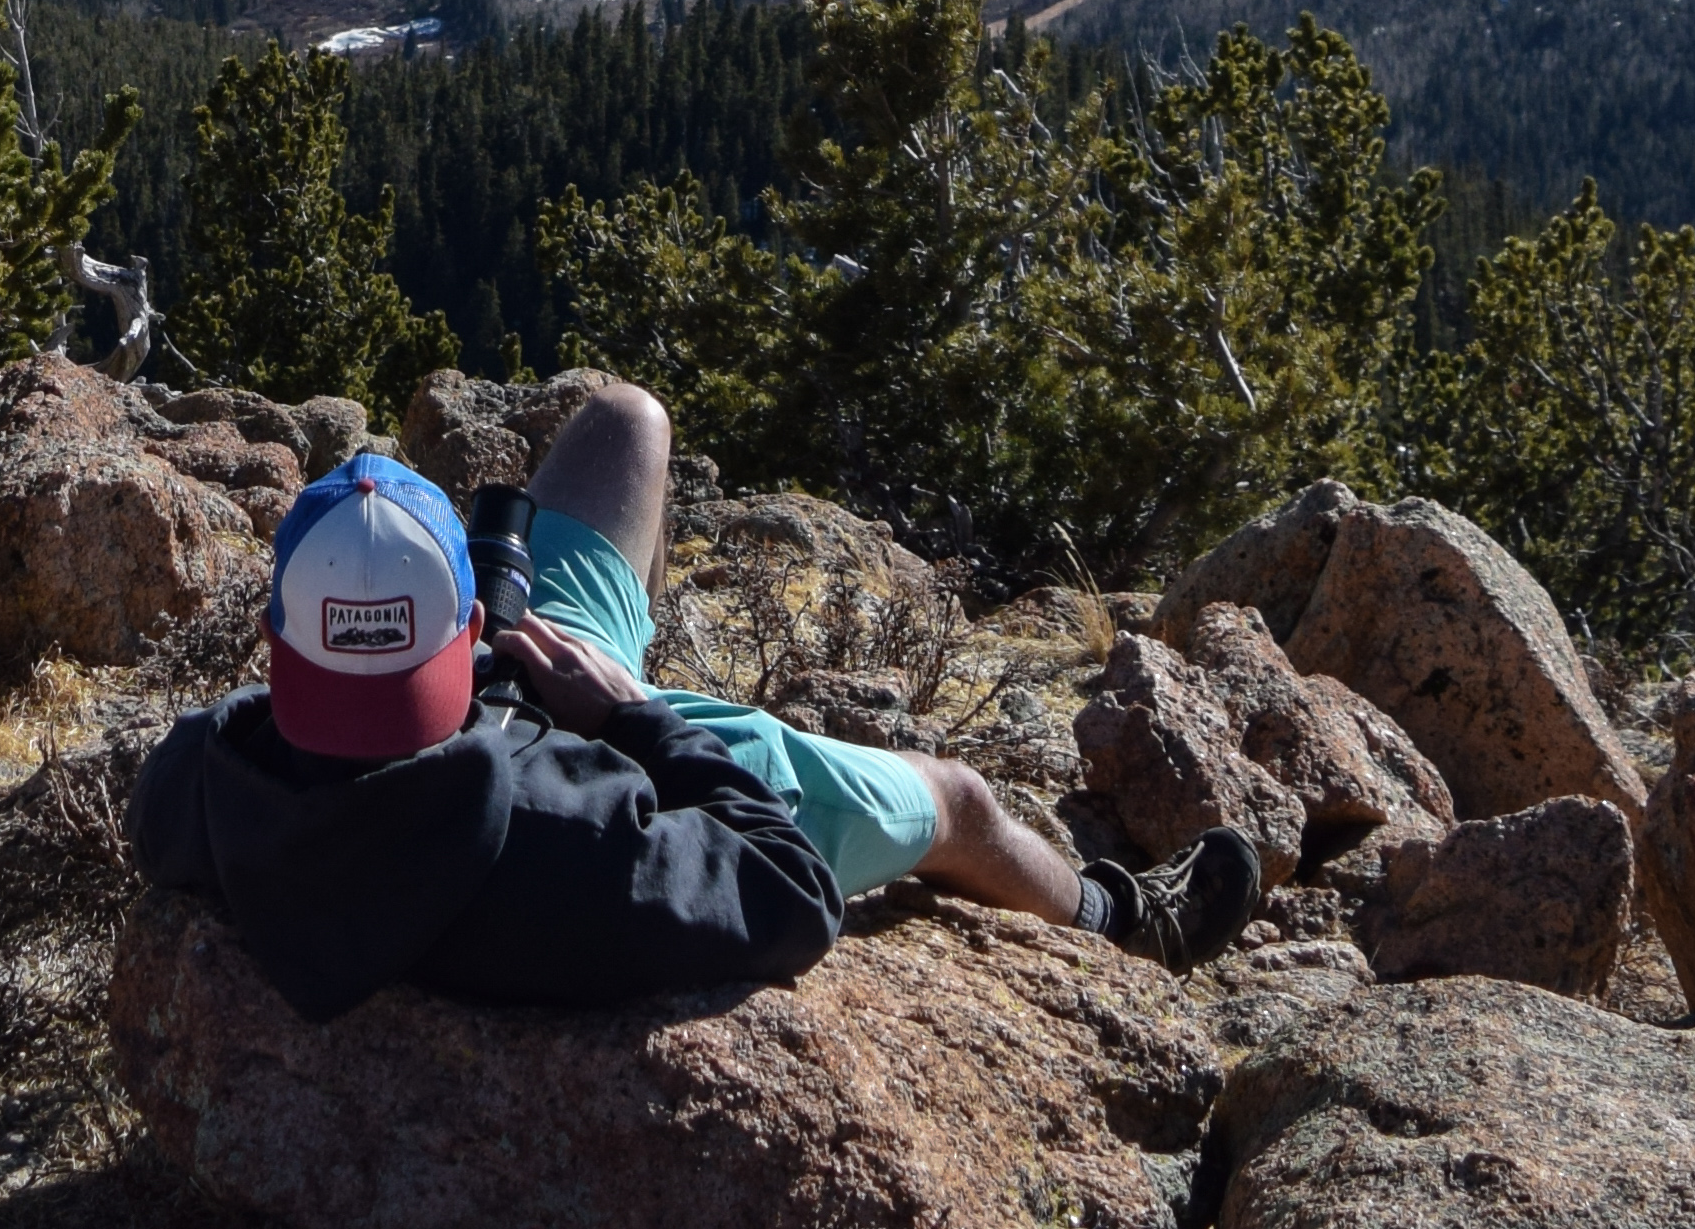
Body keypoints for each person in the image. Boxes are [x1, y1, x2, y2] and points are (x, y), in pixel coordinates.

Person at [127, 372, 1261, 1020]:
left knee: (625, 422)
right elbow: (787, 888)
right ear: (465, 620)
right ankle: (1121, 922)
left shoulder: (201, 779)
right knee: (959, 802)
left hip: (508, 693)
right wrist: (634, 719)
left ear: (280, 644)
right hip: (615, 743)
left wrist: (496, 666)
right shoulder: (577, 848)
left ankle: (613, 647)